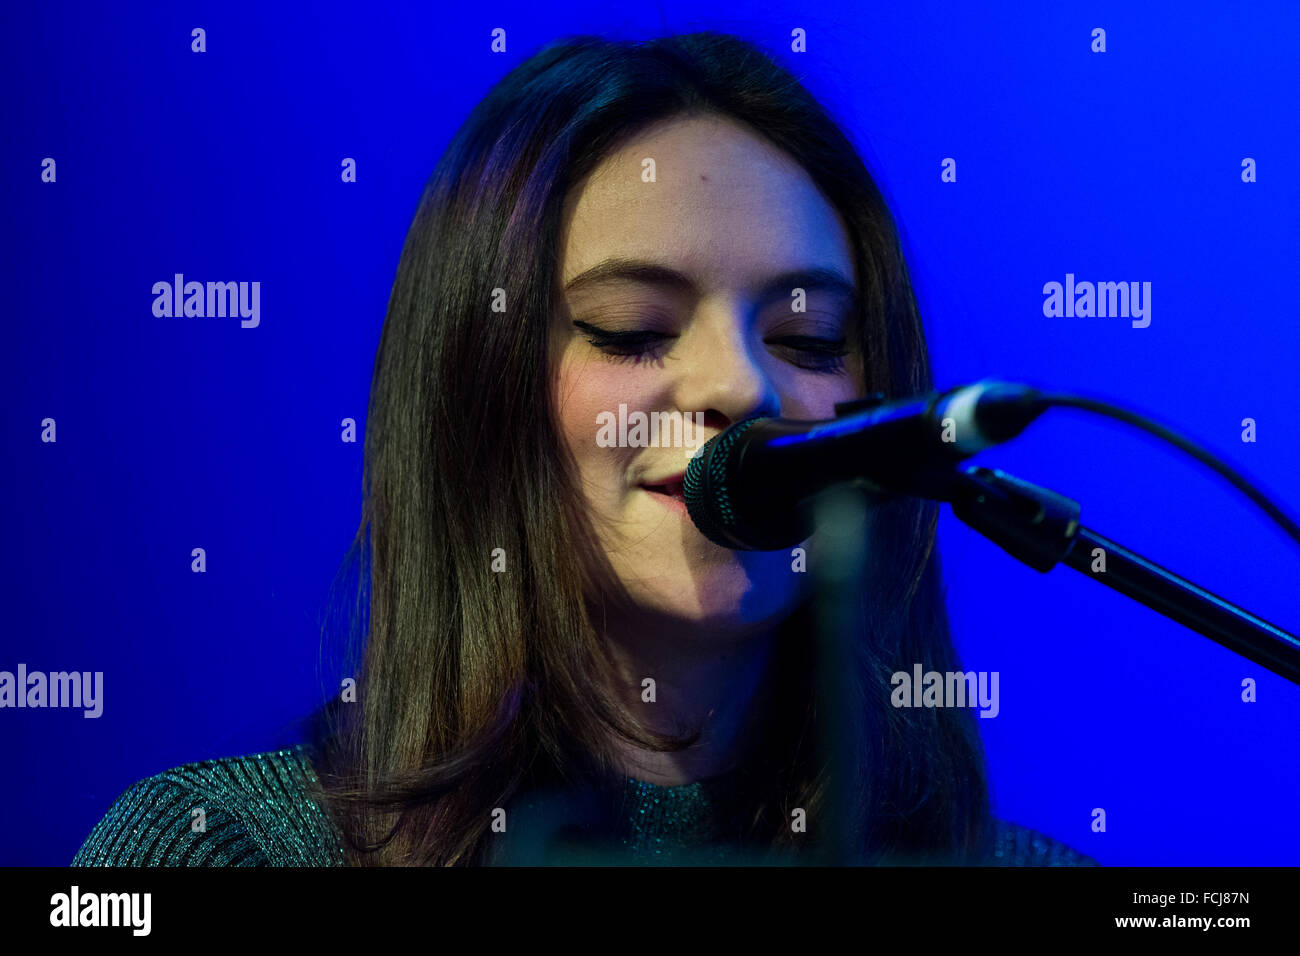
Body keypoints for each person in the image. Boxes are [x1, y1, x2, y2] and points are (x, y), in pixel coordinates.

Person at [74, 31, 1095, 867]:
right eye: (630, 326)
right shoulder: (220, 849)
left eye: (805, 339)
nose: (740, 386)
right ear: (482, 392)